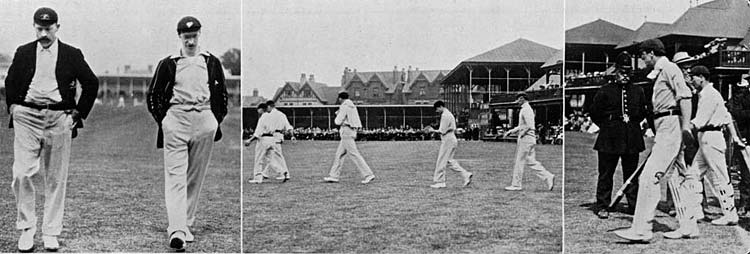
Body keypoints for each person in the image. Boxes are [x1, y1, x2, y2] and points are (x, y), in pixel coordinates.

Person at [5, 7, 99, 252]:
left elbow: (91, 82)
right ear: (34, 27)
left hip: (59, 117)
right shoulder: (24, 52)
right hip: (27, 116)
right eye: (40, 28)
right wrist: (14, 106)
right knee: (22, 173)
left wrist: (77, 114)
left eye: (48, 28)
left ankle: (50, 232)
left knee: (56, 177)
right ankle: (27, 229)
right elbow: (10, 81)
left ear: (58, 27)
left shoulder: (71, 54)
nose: (44, 33)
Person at [146, 16, 228, 251]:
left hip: (204, 120)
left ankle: (186, 222)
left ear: (199, 35)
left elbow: (221, 95)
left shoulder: (211, 62)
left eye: (193, 36)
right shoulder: (169, 63)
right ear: (179, 37)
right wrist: (165, 121)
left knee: (195, 176)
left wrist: (214, 120)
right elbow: (153, 95)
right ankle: (177, 230)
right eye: (186, 37)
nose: (190, 41)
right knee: (175, 177)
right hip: (176, 119)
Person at [614, 39, 697, 242]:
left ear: (651, 53)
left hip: (671, 124)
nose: (641, 60)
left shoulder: (670, 68)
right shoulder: (660, 71)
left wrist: (686, 127)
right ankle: (689, 226)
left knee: (649, 177)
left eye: (642, 56)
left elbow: (684, 96)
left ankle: (642, 229)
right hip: (664, 125)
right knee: (678, 178)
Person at [589, 52, 648, 219]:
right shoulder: (605, 90)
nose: (625, 75)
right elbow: (594, 112)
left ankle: (633, 205)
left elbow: (642, 112)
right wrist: (608, 125)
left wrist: (632, 124)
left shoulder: (638, 90)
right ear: (615, 71)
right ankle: (602, 205)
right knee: (606, 173)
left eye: (628, 72)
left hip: (631, 137)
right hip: (609, 137)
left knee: (632, 174)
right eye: (622, 71)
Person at [683, 65, 739, 227]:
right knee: (693, 174)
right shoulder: (709, 93)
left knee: (719, 177)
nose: (692, 81)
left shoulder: (709, 95)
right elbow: (727, 117)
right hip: (707, 139)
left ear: (701, 77)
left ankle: (730, 214)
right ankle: (695, 210)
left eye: (693, 77)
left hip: (711, 138)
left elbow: (701, 120)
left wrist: (682, 129)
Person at [503, 93, 555, 191]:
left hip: (526, 139)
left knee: (519, 161)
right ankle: (548, 176)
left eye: (518, 100)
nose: (517, 102)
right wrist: (511, 131)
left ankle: (516, 184)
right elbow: (522, 125)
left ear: (522, 99)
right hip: (529, 138)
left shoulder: (526, 109)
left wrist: (522, 134)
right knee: (531, 161)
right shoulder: (526, 109)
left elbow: (529, 125)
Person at [323, 92, 376, 184]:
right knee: (339, 155)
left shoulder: (344, 106)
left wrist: (337, 115)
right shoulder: (352, 106)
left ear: (340, 98)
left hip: (346, 132)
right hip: (350, 131)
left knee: (354, 154)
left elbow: (338, 121)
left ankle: (368, 174)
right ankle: (334, 176)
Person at [426, 101, 473, 188]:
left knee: (441, 160)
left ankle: (440, 181)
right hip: (451, 138)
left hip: (448, 139)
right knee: (449, 161)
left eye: (437, 109)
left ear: (440, 107)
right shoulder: (449, 114)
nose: (437, 111)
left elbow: (442, 131)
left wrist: (432, 130)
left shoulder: (445, 115)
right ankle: (465, 174)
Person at [728, 74, 750, 216]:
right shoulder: (742, 95)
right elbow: (734, 112)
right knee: (746, 174)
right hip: (746, 138)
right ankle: (744, 202)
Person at [247, 103, 282, 183]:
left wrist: (250, 140)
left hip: (263, 139)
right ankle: (282, 172)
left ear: (261, 109)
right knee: (271, 159)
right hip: (272, 139)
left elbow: (258, 132)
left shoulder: (263, 117)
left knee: (259, 159)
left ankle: (257, 178)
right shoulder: (273, 117)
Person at [262, 100, 293, 181]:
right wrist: (292, 135)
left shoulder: (268, 115)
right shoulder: (282, 115)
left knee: (274, 157)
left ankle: (284, 172)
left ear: (269, 106)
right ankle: (265, 173)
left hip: (272, 136)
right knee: (274, 156)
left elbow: (265, 126)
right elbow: (288, 126)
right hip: (279, 136)